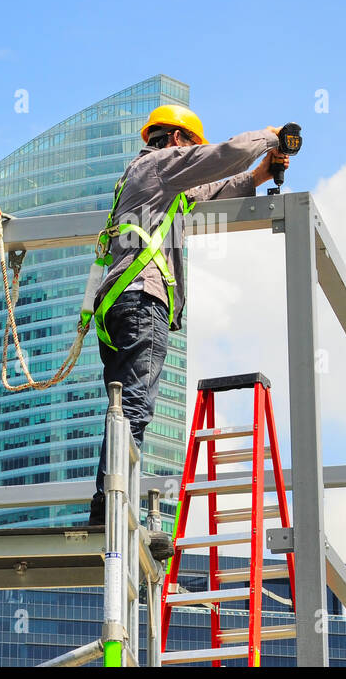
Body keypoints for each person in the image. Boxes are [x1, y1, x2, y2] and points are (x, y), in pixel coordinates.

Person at [87, 104, 290, 526]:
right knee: (136, 407)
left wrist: (259, 176)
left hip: (123, 304)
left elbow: (214, 192)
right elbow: (222, 157)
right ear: (178, 141)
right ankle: (111, 508)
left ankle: (106, 503)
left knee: (124, 408)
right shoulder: (159, 166)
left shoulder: (155, 185)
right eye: (191, 148)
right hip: (142, 299)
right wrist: (270, 137)